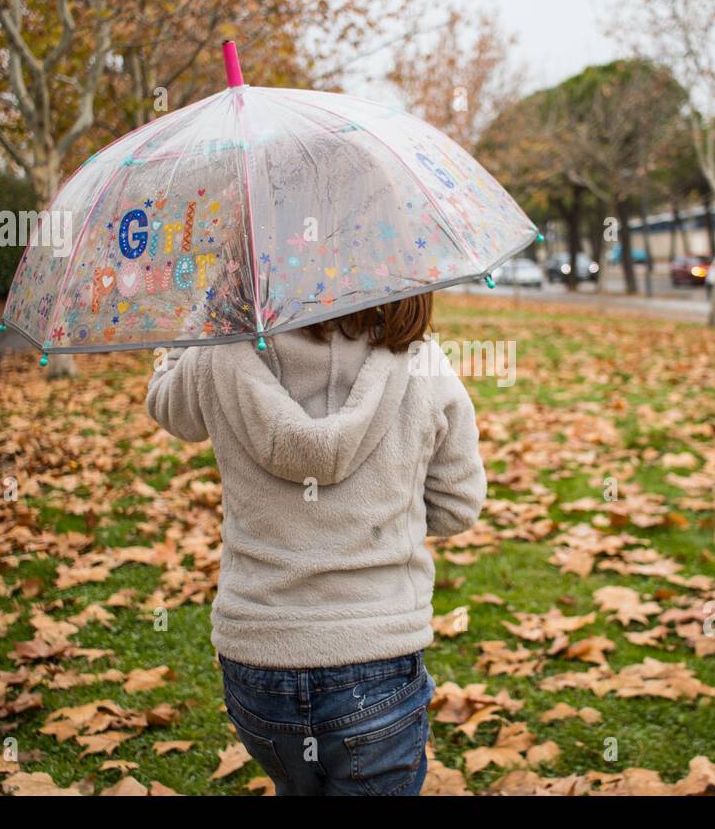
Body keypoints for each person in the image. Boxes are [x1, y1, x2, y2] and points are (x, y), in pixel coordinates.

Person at [145, 293, 486, 795]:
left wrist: (202, 317)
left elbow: (168, 406)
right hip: (378, 659)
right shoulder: (423, 364)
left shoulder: (219, 351)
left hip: (259, 661)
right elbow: (457, 506)